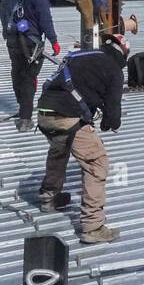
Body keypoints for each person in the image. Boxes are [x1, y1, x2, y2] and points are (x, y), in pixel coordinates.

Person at [35, 33, 128, 244]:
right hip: (68, 117)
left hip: (44, 113)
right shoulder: (114, 71)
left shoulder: (78, 55)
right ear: (123, 56)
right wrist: (109, 124)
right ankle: (92, 226)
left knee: (60, 150)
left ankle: (49, 198)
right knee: (96, 162)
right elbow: (113, 116)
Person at [0, 0, 60, 132]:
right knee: (28, 78)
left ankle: (22, 105)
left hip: (12, 39)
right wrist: (54, 41)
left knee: (16, 72)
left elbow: (3, 9)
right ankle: (25, 119)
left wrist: (7, 28)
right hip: (30, 44)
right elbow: (45, 20)